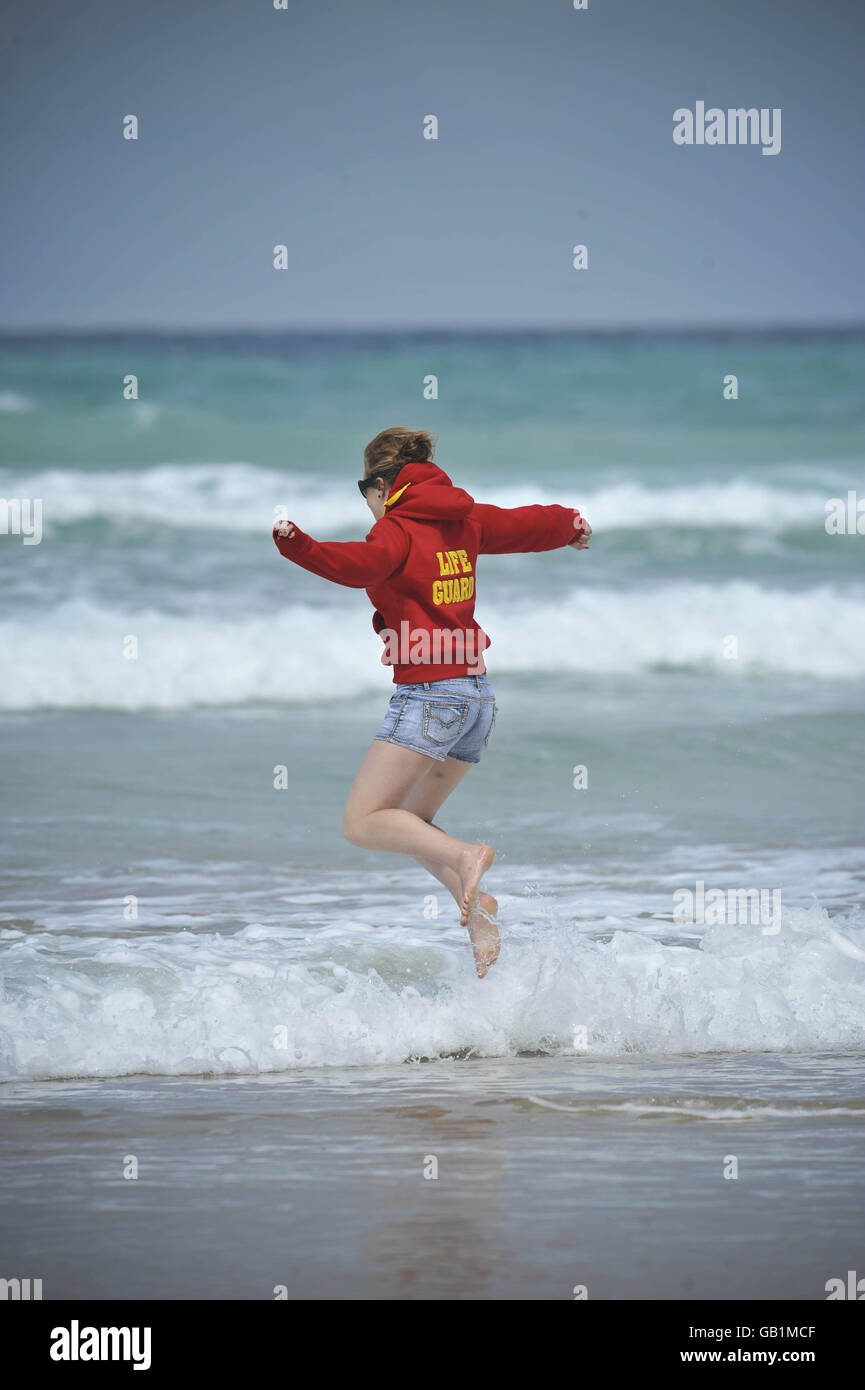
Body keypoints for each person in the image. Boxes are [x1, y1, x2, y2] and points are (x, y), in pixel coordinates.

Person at [273, 428, 591, 977]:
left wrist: (295, 543)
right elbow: (525, 525)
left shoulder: (396, 530)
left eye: (363, 493)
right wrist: (572, 525)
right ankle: (479, 912)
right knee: (411, 821)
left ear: (381, 485)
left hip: (429, 695)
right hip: (475, 698)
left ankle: (468, 856)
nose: (367, 507)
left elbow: (358, 567)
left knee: (362, 822)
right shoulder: (463, 518)